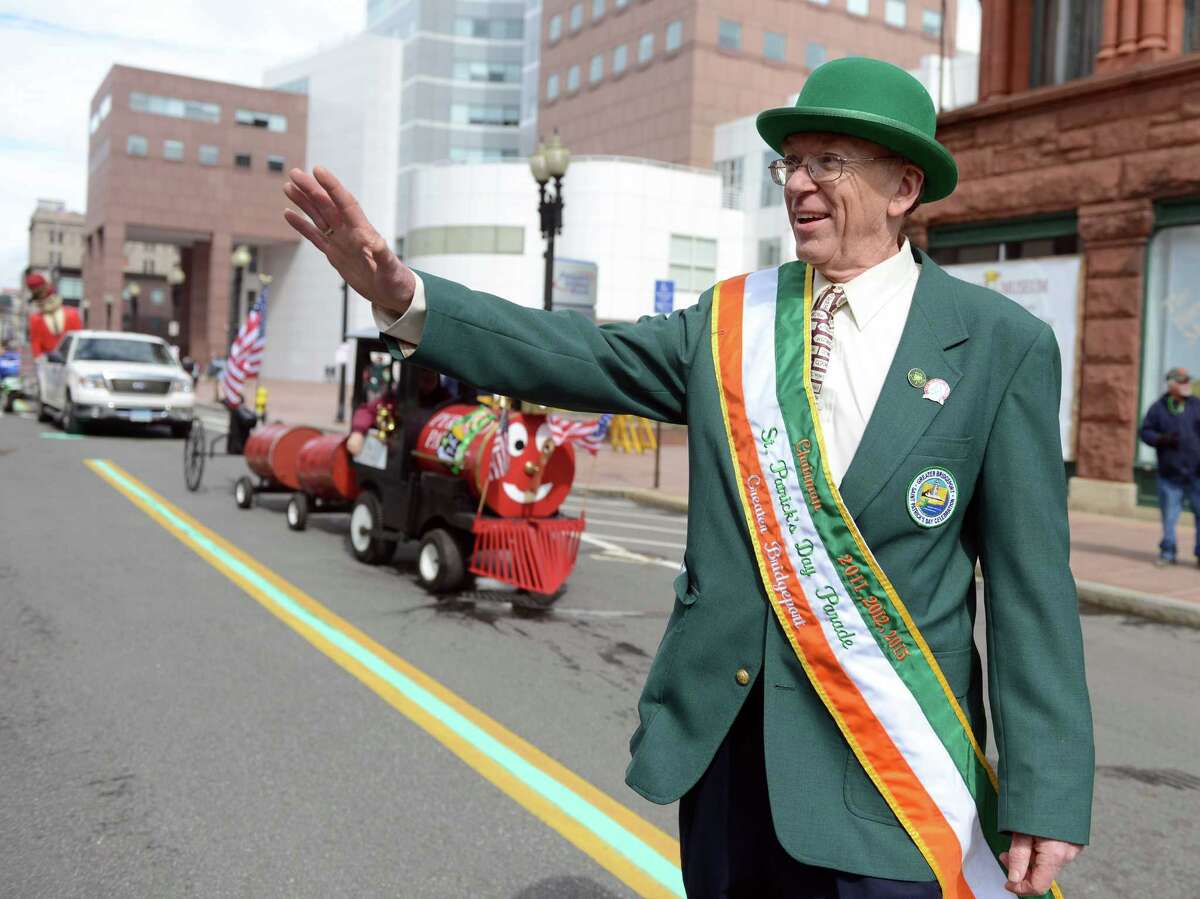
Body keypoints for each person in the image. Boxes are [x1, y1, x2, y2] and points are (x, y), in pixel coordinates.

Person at [284, 57, 1091, 899]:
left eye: (827, 162)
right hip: (730, 764)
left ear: (903, 186)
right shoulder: (734, 320)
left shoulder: (999, 345)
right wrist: (406, 296)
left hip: (891, 778)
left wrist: (1047, 788)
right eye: (791, 162)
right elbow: (579, 355)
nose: (799, 185)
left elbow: (1032, 585)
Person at [1138, 367, 1200, 566]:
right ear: (1171, 384)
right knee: (1170, 517)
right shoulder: (1158, 408)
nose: (1186, 385)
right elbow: (1145, 432)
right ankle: (1168, 552)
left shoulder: (1196, 405)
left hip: (1196, 473)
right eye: (1181, 381)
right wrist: (1161, 439)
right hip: (1169, 474)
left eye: (1187, 381)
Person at [346, 366, 449, 456]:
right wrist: (358, 432)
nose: (429, 376)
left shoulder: (447, 400)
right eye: (424, 371)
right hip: (404, 458)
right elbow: (367, 410)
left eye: (433, 372)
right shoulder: (396, 398)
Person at [26, 273, 82, 358]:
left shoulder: (72, 314)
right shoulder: (36, 319)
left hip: (69, 361)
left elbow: (78, 340)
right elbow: (36, 347)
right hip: (50, 364)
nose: (42, 294)